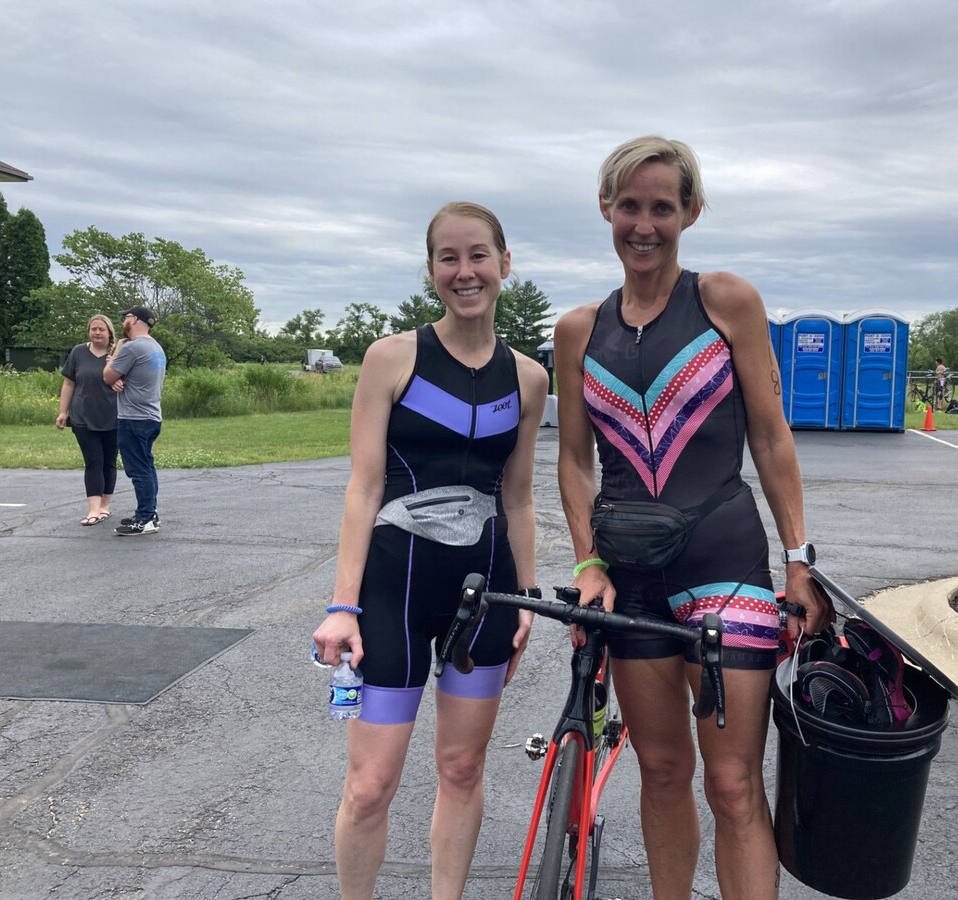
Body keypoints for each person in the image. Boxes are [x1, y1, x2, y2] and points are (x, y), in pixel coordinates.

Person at [554, 136, 832, 900]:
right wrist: (587, 564)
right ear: (607, 209)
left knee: (735, 783)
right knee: (663, 771)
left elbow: (771, 437)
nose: (645, 225)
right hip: (631, 575)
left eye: (663, 208)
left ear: (691, 212)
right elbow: (574, 461)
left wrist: (799, 560)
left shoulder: (726, 302)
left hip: (726, 564)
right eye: (630, 206)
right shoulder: (578, 331)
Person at [310, 202, 549, 900]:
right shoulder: (393, 358)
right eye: (449, 257)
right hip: (394, 594)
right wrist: (342, 605)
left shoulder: (529, 379)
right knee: (370, 785)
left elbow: (519, 497)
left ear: (505, 265)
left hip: (488, 596)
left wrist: (527, 594)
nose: (464, 271)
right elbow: (364, 487)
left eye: (479, 255)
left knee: (462, 768)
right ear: (431, 270)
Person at [103, 306, 166, 536]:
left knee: (138, 470)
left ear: (136, 320)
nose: (123, 321)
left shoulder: (133, 347)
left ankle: (145, 518)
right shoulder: (154, 346)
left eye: (126, 317)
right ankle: (150, 512)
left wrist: (118, 348)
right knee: (147, 467)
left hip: (134, 417)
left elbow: (108, 374)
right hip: (151, 416)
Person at [56, 314, 119, 525]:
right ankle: (93, 510)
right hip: (83, 416)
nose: (97, 333)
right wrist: (63, 412)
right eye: (94, 329)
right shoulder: (78, 352)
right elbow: (69, 383)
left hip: (113, 416)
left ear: (109, 332)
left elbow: (131, 379)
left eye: (101, 329)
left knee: (108, 462)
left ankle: (105, 506)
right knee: (93, 461)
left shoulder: (119, 352)